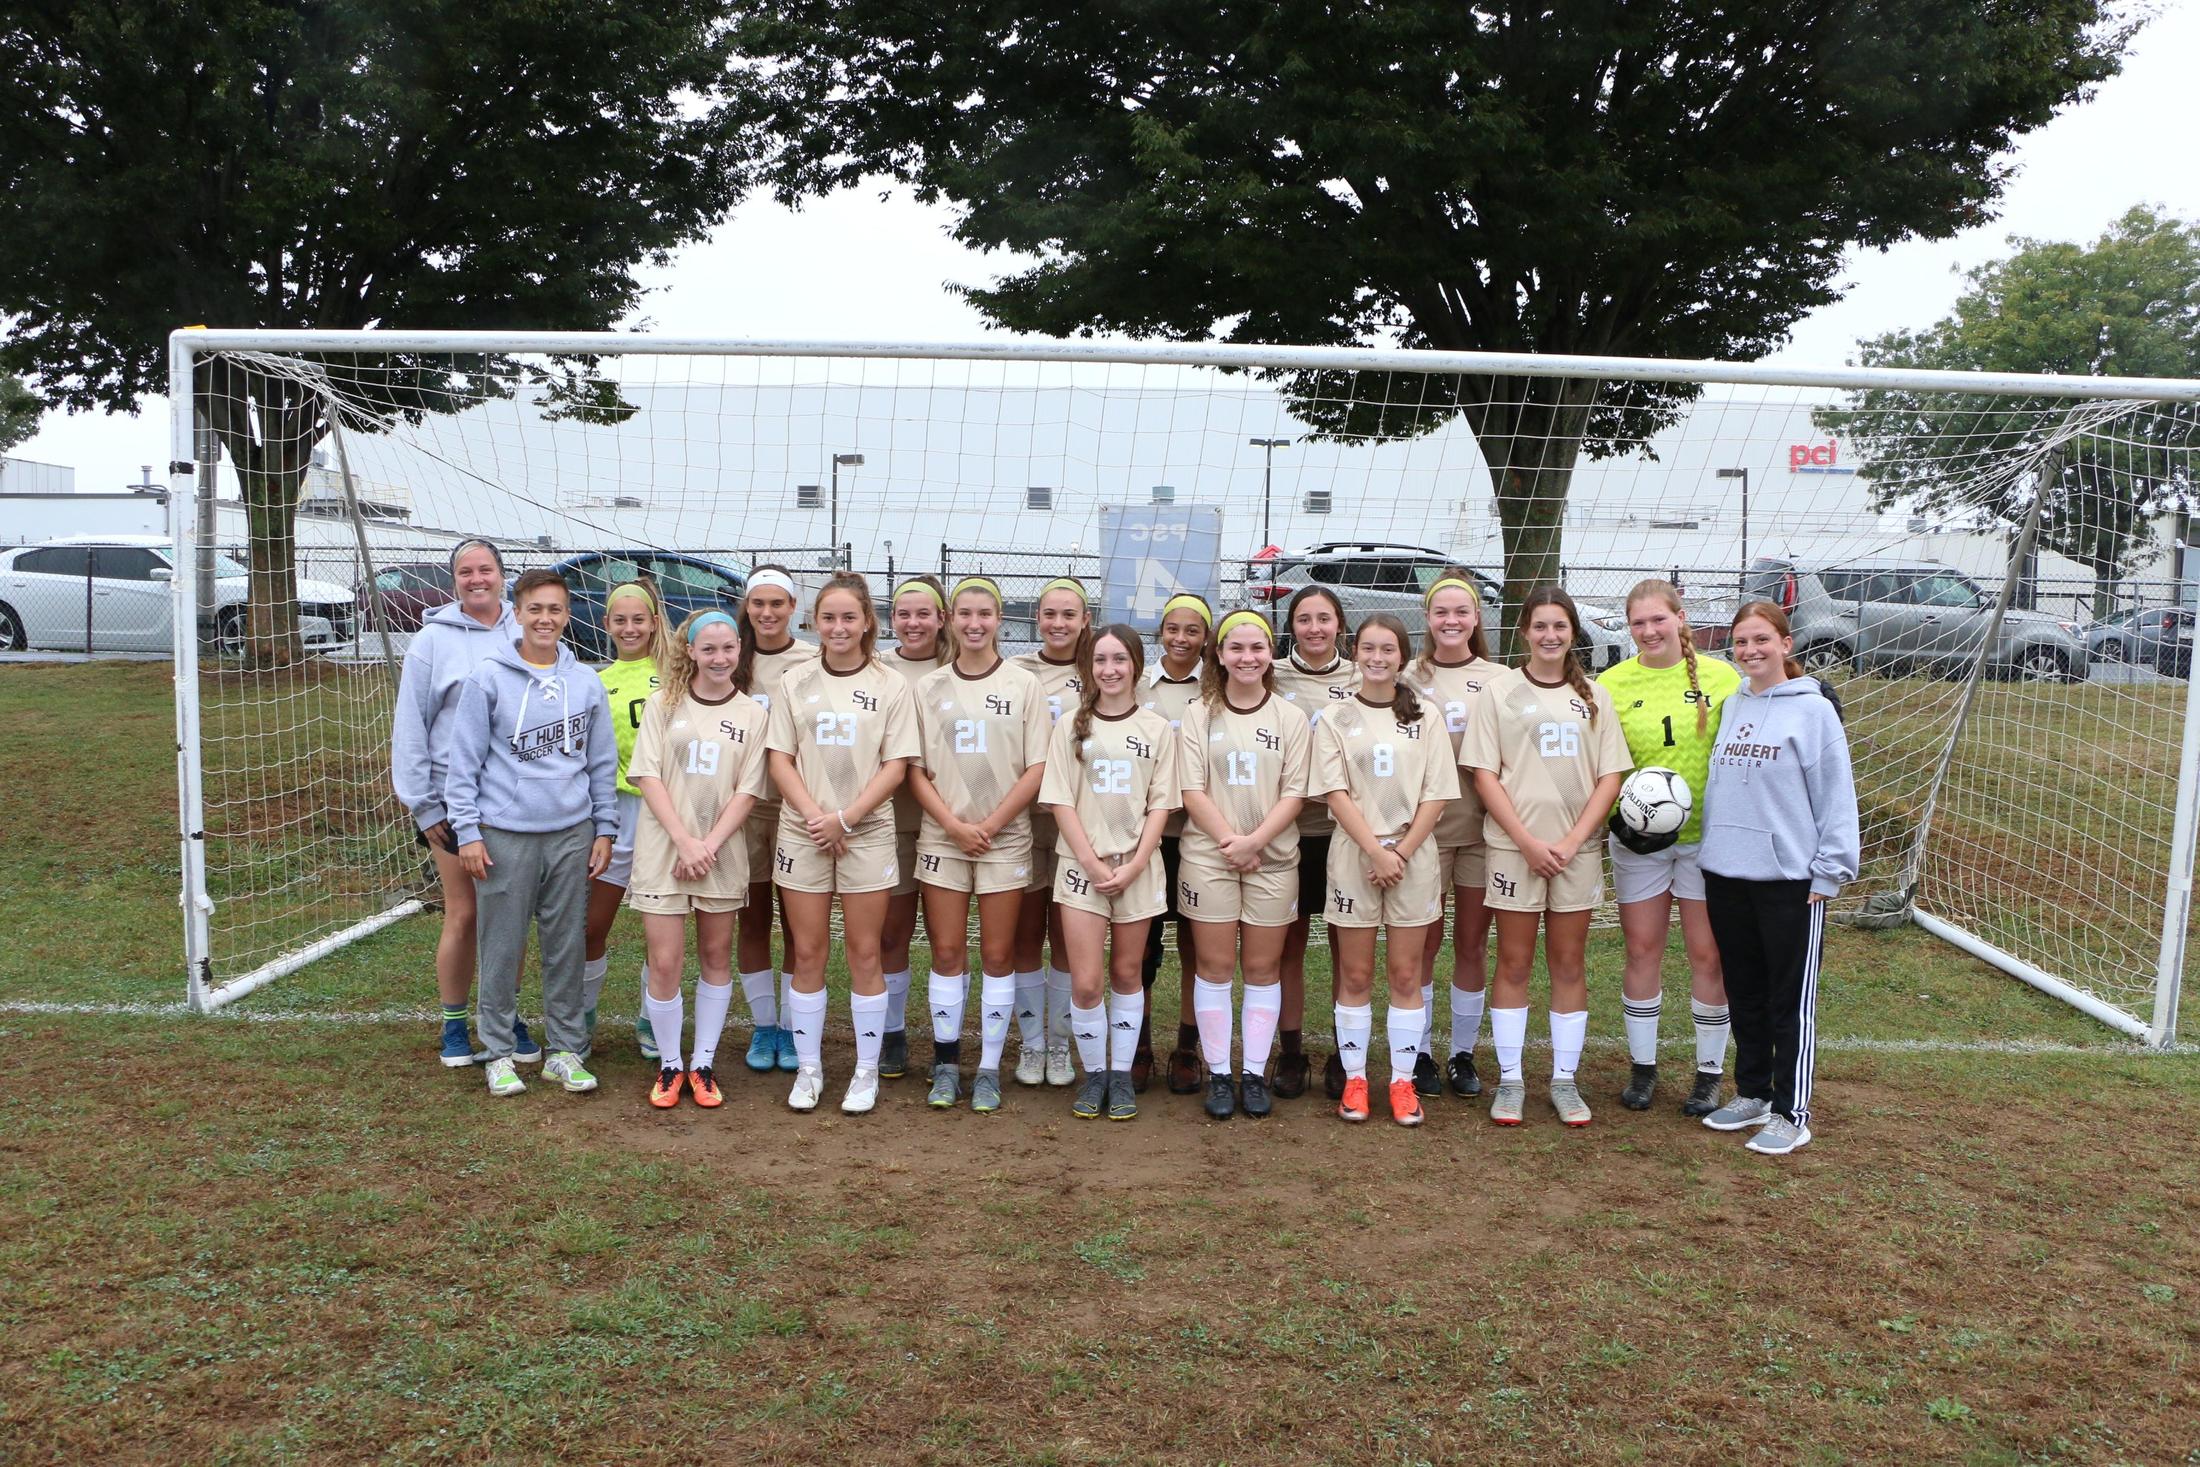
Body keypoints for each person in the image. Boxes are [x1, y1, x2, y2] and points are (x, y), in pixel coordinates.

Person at [443, 569, 618, 1099]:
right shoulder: (488, 678)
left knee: (566, 943)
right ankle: (498, 1051)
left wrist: (604, 827)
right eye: (535, 609)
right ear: (517, 614)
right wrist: (469, 833)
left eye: (556, 610)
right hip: (505, 834)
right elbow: (463, 764)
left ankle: (564, 1050)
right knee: (502, 942)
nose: (545, 619)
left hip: (571, 832)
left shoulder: (585, 682)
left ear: (568, 616)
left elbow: (601, 764)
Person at [1464, 587, 1631, 1127]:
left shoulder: (1595, 697)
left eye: (1560, 626)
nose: (1550, 636)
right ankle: (1510, 1080)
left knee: (1568, 961)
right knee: (1513, 961)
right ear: (1524, 632)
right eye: (1540, 626)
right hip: (1515, 849)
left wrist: (1573, 839)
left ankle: (1564, 1079)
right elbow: (1484, 774)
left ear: (1573, 632)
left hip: (1575, 852)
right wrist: (1530, 843)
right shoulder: (1499, 692)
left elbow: (1610, 777)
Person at [1698, 601, 1859, 1156]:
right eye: (1741, 642)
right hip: (1726, 871)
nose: (1750, 651)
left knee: (1789, 998)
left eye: (1761, 640)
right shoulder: (1732, 705)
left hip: (1790, 879)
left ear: (1786, 644)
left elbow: (1837, 794)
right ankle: (1753, 1093)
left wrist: (1831, 869)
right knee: (1744, 992)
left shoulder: (1814, 713)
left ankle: (1794, 1112)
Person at [765, 572, 921, 1114]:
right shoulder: (794, 681)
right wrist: (816, 816)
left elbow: (896, 765)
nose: (838, 627)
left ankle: (865, 1071)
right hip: (804, 830)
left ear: (866, 623)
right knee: (806, 951)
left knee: (864, 953)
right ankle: (809, 1071)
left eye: (848, 617)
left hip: (867, 831)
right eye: (828, 617)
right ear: (814, 621)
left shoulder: (890, 684)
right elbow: (779, 757)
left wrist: (846, 818)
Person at [1598, 579, 1743, 1116]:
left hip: (1707, 840)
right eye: (1639, 623)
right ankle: (1643, 1069)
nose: (1650, 631)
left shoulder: (1722, 677)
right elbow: (1603, 762)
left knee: (1707, 954)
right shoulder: (1610, 684)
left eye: (1659, 619)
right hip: (1639, 844)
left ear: (1681, 619)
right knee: (1642, 950)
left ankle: (1708, 1074)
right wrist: (1618, 817)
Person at [1308, 613, 1458, 1126]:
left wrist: (1399, 852)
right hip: (1356, 855)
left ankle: (1401, 1081)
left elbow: (1437, 792)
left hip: (1412, 857)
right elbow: (1335, 792)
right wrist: (1375, 851)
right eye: (1368, 648)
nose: (1377, 658)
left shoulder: (1426, 716)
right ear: (1355, 652)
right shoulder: (1336, 718)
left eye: (1388, 650)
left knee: (1405, 973)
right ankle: (1354, 1081)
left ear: (1403, 656)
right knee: (1353, 972)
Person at [907, 577, 1050, 1112]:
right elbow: (913, 768)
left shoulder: (1023, 684)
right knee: (946, 952)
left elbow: (1038, 766)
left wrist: (990, 823)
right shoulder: (927, 688)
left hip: (1005, 840)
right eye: (964, 613)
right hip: (944, 838)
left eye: (984, 613)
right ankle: (947, 1064)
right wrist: (954, 824)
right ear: (949, 618)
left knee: (997, 954)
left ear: (999, 620)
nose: (974, 623)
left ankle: (988, 1066)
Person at [390, 538, 529, 1068]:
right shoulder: (432, 641)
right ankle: (454, 1025)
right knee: (464, 913)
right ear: (455, 581)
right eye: (466, 571)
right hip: (452, 802)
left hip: (514, 802)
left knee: (509, 918)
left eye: (486, 570)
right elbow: (412, 728)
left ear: (502, 575)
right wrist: (424, 808)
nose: (477, 579)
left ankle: (502, 1016)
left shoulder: (525, 629)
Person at [1039, 625, 1180, 1122]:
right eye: (1100, 660)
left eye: (1119, 659)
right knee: (1085, 982)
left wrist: (1136, 863)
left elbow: (1161, 805)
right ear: (1088, 668)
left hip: (1137, 868)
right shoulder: (1070, 728)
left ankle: (1121, 1074)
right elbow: (1060, 801)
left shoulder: (1157, 729)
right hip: (1083, 869)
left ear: (1136, 666)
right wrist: (1095, 864)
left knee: (1127, 974)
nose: (1110, 669)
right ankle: (1094, 1072)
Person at [629, 611, 769, 1109]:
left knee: (715, 956)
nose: (719, 658)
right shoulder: (663, 705)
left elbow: (748, 790)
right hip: (666, 851)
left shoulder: (753, 713)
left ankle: (702, 1064)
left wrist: (707, 845)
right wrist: (686, 842)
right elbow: (648, 777)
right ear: (690, 651)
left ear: (738, 650)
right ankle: (670, 1065)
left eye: (727, 648)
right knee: (665, 961)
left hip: (720, 853)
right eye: (708, 649)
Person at [1175, 609, 1311, 1119]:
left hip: (1273, 861)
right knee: (1212, 968)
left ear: (1269, 654)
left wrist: (1256, 841)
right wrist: (1233, 841)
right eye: (1236, 648)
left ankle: (1253, 1072)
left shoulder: (1290, 718)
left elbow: (1295, 792)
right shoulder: (1198, 714)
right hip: (1210, 857)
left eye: (1256, 648)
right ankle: (1219, 1074)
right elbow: (1191, 789)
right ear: (1220, 654)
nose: (1247, 657)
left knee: (1261, 967)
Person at [1404, 572, 1503, 1100]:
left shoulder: (1500, 678)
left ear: (1476, 618)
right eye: (1441, 612)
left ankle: (1462, 1053)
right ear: (1427, 618)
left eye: (1460, 612)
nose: (1451, 621)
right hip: (1425, 836)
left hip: (1483, 834)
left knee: (1470, 943)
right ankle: (1418, 1053)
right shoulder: (1405, 677)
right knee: (1423, 942)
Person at [1271, 585, 1359, 1099]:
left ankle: (1344, 1055)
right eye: (1304, 619)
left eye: (1324, 619)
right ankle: (1291, 1051)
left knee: (1347, 949)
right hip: (1290, 834)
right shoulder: (1272, 674)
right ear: (1292, 627)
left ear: (1340, 625)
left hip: (1345, 834)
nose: (1314, 628)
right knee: (1290, 945)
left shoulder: (1361, 674)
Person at [732, 566, 819, 1072]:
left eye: (777, 604)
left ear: (793, 608)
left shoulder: (812, 660)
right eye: (758, 604)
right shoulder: (729, 654)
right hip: (742, 809)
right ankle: (764, 1028)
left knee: (796, 925)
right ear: (747, 607)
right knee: (753, 920)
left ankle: (790, 1027)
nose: (766, 613)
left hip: (795, 809)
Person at [1010, 575, 1093, 1088]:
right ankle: (1031, 1043)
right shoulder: (1017, 673)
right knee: (1023, 938)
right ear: (1036, 620)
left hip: (1078, 825)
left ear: (1086, 620)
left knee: (1067, 939)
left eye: (1069, 614)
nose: (1058, 623)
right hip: (1022, 821)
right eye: (1050, 614)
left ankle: (1060, 1044)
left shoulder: (1105, 668)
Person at [586, 580, 670, 1059]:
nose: (630, 627)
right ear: (607, 625)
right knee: (592, 927)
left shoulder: (677, 675)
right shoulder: (597, 681)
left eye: (639, 619)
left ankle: (649, 1019)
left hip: (665, 816)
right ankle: (582, 1018)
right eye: (621, 620)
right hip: (615, 814)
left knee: (659, 929)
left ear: (655, 622)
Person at [880, 575, 952, 1081]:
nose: (913, 623)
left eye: (923, 613)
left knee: (949, 940)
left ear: (941, 617)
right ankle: (891, 1032)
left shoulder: (963, 667)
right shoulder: (878, 669)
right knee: (893, 935)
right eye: (903, 614)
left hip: (955, 822)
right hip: (895, 820)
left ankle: (951, 1041)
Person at [1141, 592, 1210, 1091]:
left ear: (1207, 637)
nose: (1181, 638)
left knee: (1196, 944)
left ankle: (1187, 1046)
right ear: (1160, 631)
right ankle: (1138, 1041)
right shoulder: (1140, 683)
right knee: (1142, 945)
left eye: (1192, 630)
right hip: (1148, 834)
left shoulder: (1220, 687)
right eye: (1173, 628)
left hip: (1202, 837)